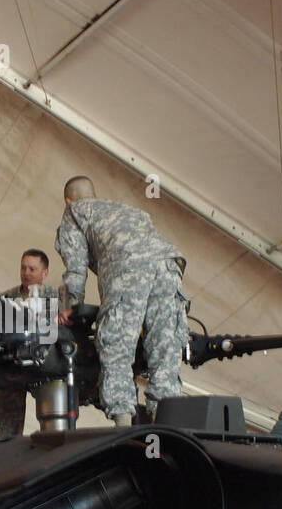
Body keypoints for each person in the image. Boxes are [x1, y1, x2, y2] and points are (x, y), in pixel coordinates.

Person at [54, 176, 188, 426]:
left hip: (128, 268)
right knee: (165, 348)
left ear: (67, 200)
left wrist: (72, 309)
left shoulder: (74, 211)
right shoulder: (127, 209)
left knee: (116, 345)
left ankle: (123, 428)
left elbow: (75, 269)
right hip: (169, 264)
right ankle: (166, 429)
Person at [0, 250, 60, 436]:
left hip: (47, 369)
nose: (26, 273)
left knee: (54, 422)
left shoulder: (56, 298)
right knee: (8, 428)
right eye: (23, 268)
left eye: (32, 269)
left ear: (45, 272)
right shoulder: (6, 298)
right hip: (14, 367)